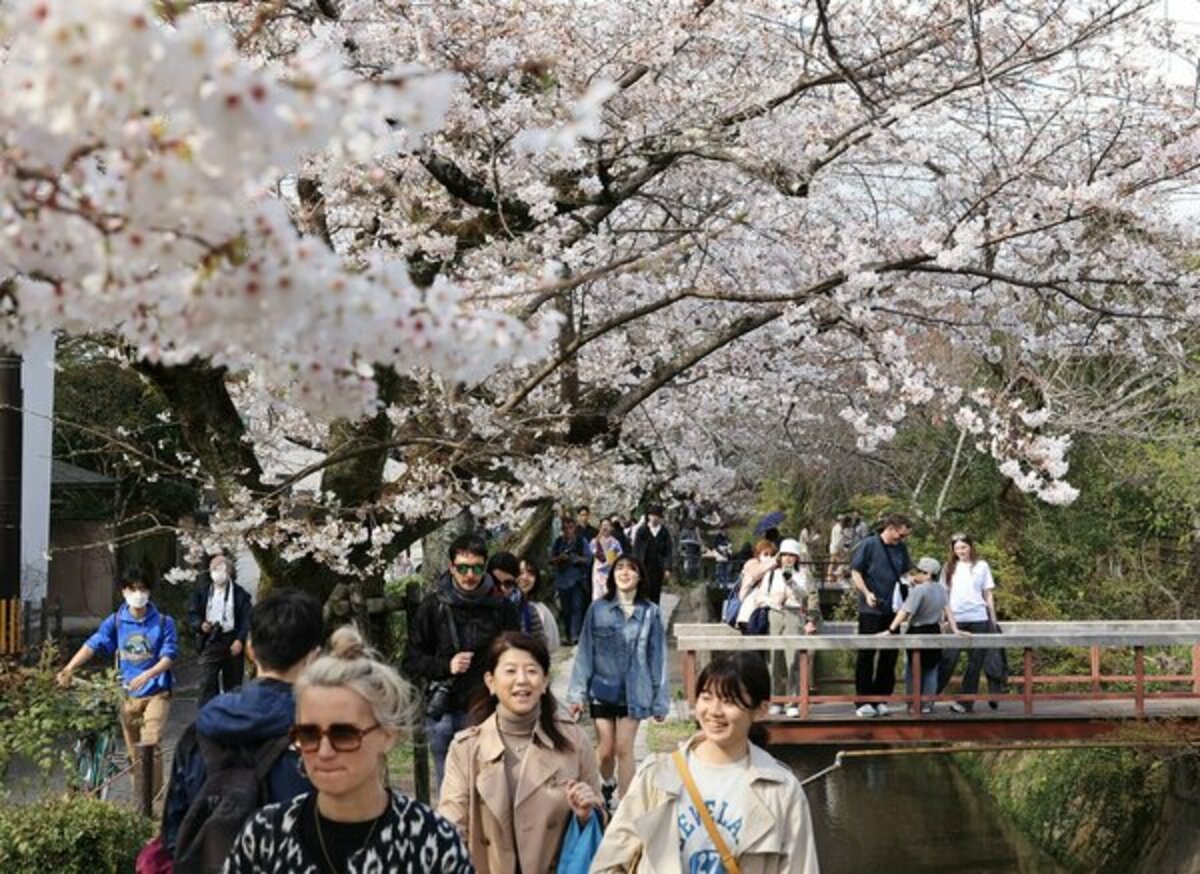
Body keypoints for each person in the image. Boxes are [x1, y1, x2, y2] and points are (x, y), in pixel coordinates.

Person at [224, 625, 472, 873]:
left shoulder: (432, 843)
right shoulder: (264, 837)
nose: (324, 752)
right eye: (308, 735)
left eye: (343, 735)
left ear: (387, 735)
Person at [591, 653, 820, 873]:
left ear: (760, 710)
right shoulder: (657, 776)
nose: (714, 711)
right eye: (707, 697)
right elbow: (611, 859)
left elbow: (801, 867)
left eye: (729, 701)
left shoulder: (781, 790)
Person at [163, 588, 325, 861]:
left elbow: (174, 833)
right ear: (315, 656)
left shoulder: (200, 730)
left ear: (250, 648)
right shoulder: (328, 736)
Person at [439, 632, 605, 873]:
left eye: (531, 670)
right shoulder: (466, 749)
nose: (522, 680)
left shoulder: (574, 742)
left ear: (545, 681)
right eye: (510, 671)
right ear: (490, 682)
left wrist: (586, 813)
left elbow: (600, 818)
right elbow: (452, 826)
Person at [403, 532, 521, 787]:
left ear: (485, 568)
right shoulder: (433, 607)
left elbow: (518, 656)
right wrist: (446, 665)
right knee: (450, 790)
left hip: (487, 709)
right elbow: (411, 661)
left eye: (477, 568)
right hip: (444, 710)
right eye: (463, 568)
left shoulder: (501, 607)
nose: (469, 575)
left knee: (490, 788)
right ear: (451, 567)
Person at [57, 566, 177, 804]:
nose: (138, 594)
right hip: (128, 694)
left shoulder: (164, 622)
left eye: (143, 589)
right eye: (133, 589)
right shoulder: (116, 621)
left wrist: (149, 674)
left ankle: (153, 801)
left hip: (157, 692)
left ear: (149, 591)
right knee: (133, 751)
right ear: (124, 591)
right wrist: (69, 668)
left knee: (150, 743)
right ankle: (141, 800)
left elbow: (169, 656)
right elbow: (93, 644)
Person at [567, 555, 669, 808]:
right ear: (612, 575)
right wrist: (577, 695)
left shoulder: (651, 612)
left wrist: (660, 700)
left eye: (631, 569)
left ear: (640, 576)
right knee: (605, 750)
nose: (625, 573)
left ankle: (626, 806)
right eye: (620, 568)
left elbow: (658, 657)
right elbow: (585, 652)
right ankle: (606, 781)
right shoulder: (598, 609)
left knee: (624, 748)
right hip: (602, 690)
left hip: (635, 691)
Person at [879, 557, 964, 714]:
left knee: (912, 670)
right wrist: (955, 629)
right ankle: (927, 704)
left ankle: (913, 703)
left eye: (919, 571)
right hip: (935, 631)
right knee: (931, 670)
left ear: (928, 574)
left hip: (918, 631)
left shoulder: (919, 590)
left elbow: (905, 611)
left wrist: (890, 630)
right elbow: (948, 610)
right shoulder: (940, 589)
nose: (916, 573)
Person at [849, 513, 913, 718]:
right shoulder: (869, 544)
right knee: (866, 654)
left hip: (893, 610)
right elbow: (856, 571)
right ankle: (863, 701)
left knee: (889, 655)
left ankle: (880, 699)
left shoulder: (901, 548)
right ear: (891, 528)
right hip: (871, 608)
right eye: (901, 535)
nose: (902, 539)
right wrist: (866, 593)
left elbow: (905, 573)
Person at [937, 532, 998, 713]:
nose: (960, 551)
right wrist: (942, 618)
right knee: (948, 660)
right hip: (955, 618)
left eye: (963, 547)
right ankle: (928, 698)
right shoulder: (948, 567)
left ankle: (965, 702)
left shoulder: (981, 565)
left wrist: (993, 617)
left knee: (975, 663)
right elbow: (943, 594)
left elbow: (988, 593)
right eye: (957, 548)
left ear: (970, 547)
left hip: (979, 617)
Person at [764, 538, 821, 717]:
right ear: (780, 557)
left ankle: (792, 701)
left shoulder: (803, 575)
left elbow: (806, 597)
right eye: (785, 555)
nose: (788, 558)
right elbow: (761, 596)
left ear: (797, 558)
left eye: (792, 555)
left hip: (795, 615)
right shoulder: (771, 574)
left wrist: (790, 582)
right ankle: (776, 700)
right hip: (775, 615)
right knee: (775, 659)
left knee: (793, 660)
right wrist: (774, 602)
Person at [188, 553, 252, 706]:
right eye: (214, 569)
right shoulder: (202, 593)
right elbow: (193, 614)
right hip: (210, 639)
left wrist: (240, 639)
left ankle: (232, 714)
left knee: (233, 684)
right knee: (207, 681)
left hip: (232, 639)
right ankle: (209, 712)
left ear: (228, 571)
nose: (217, 572)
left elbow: (247, 619)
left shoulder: (240, 594)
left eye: (221, 568)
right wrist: (201, 625)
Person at [488, 551, 546, 644]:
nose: (501, 588)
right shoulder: (474, 606)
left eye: (507, 583)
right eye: (495, 582)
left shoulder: (529, 612)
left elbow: (540, 648)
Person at [551, 516, 592, 645]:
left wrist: (575, 558)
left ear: (575, 528)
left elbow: (589, 559)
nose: (568, 530)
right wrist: (560, 558)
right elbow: (551, 559)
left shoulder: (581, 542)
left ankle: (575, 635)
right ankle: (567, 634)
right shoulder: (558, 542)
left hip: (577, 580)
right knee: (565, 609)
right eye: (565, 528)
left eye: (570, 527)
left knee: (577, 606)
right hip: (562, 580)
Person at [517, 557, 560, 654]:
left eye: (531, 574)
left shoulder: (541, 610)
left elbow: (552, 646)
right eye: (520, 572)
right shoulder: (500, 606)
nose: (525, 577)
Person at [632, 504, 673, 604]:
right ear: (648, 516)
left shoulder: (664, 532)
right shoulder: (642, 530)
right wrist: (635, 566)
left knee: (655, 593)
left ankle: (654, 612)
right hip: (644, 565)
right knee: (643, 592)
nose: (654, 518)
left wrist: (667, 567)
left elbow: (668, 551)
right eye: (652, 515)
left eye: (657, 515)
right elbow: (636, 550)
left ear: (660, 517)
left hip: (658, 567)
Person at [735, 540, 778, 633]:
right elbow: (757, 572)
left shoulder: (773, 571)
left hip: (761, 615)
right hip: (748, 614)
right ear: (758, 554)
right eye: (765, 554)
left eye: (771, 555)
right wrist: (775, 560)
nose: (769, 557)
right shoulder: (752, 565)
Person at [590, 518, 624, 601]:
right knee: (597, 598)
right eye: (603, 525)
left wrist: (606, 548)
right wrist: (598, 540)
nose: (604, 527)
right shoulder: (594, 541)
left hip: (609, 573)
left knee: (610, 598)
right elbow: (593, 553)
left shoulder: (615, 542)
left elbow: (616, 560)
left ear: (611, 528)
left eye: (607, 525)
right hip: (598, 574)